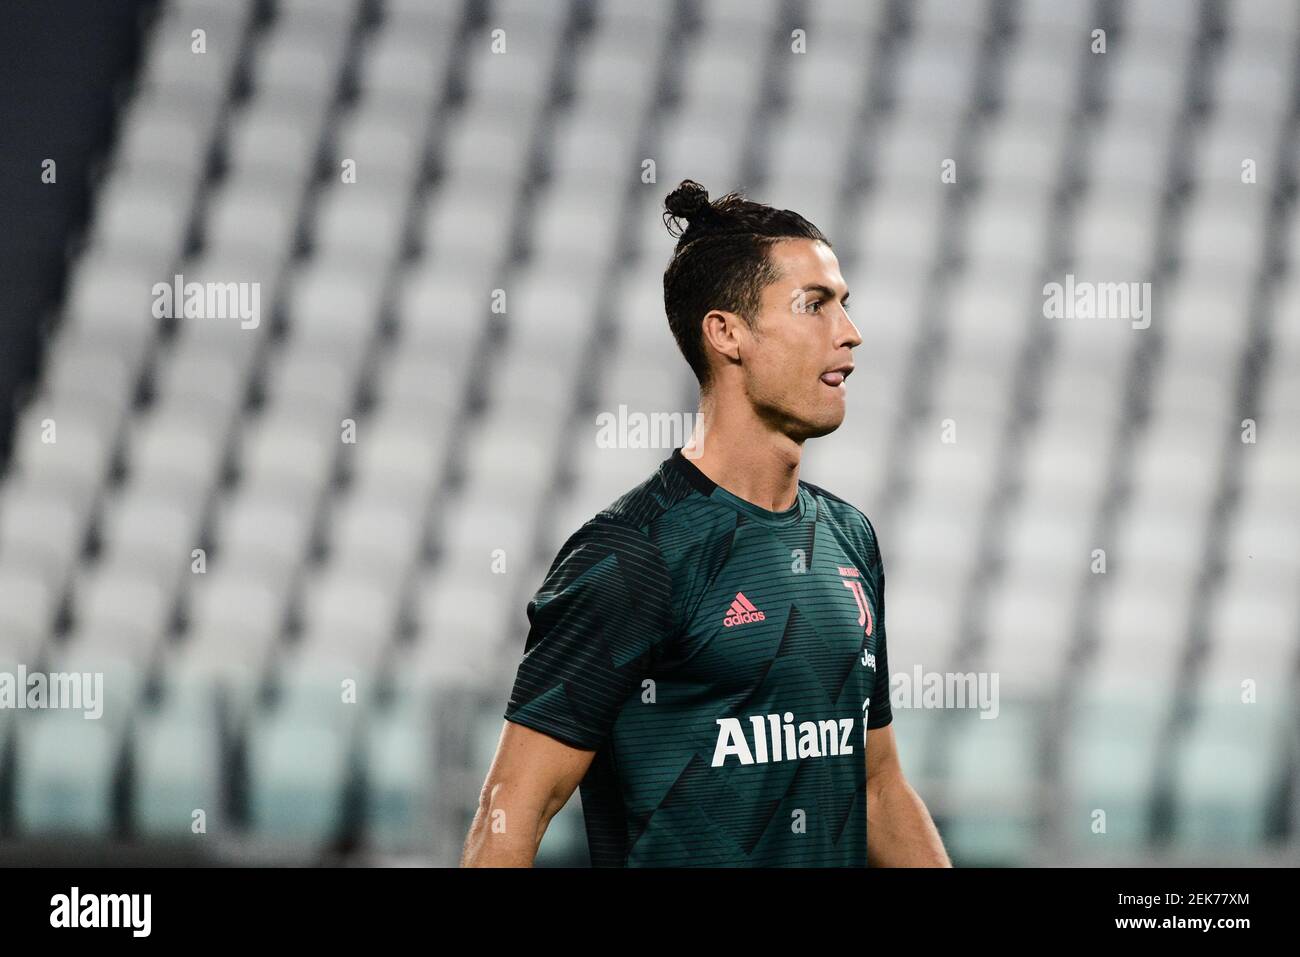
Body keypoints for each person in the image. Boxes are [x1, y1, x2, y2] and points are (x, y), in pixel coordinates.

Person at [461, 179, 950, 867]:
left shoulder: (850, 538)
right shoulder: (632, 556)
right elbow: (510, 811)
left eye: (845, 304)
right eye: (815, 306)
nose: (850, 331)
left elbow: (877, 787)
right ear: (726, 334)